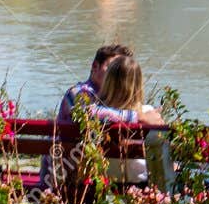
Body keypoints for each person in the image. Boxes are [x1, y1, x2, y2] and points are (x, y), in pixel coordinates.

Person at [36, 44, 137, 194]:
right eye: (110, 68)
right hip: (62, 178)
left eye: (119, 71)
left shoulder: (117, 104)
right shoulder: (78, 93)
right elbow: (90, 113)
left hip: (97, 179)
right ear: (95, 66)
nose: (114, 74)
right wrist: (137, 116)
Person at [92, 53, 165, 185]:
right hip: (142, 184)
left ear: (108, 81)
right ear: (138, 85)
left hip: (105, 182)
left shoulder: (95, 114)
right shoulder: (148, 114)